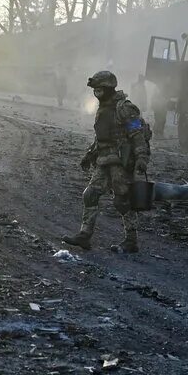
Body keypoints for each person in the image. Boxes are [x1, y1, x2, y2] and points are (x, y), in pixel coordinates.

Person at [62, 71, 151, 253]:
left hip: (121, 162)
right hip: (104, 160)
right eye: (95, 91)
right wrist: (89, 154)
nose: (97, 94)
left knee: (122, 200)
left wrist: (142, 158)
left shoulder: (124, 108)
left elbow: (137, 135)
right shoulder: (103, 109)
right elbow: (102, 137)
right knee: (90, 194)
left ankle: (131, 241)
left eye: (100, 90)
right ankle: (84, 235)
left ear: (109, 89)